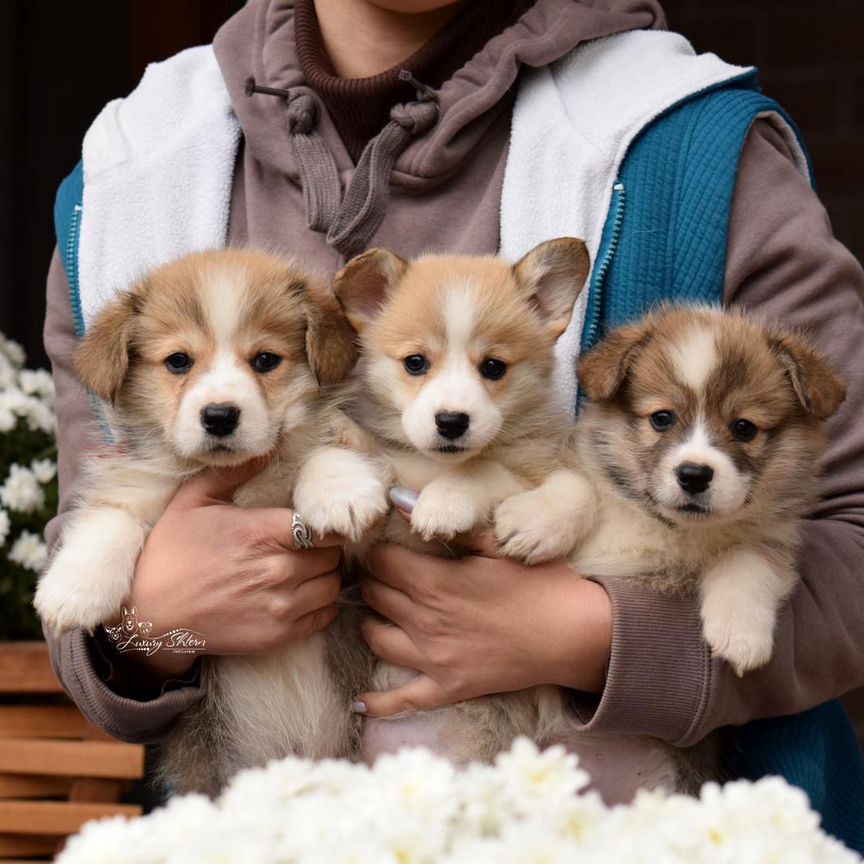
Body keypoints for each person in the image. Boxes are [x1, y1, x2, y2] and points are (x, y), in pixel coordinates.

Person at [44, 0, 864, 849]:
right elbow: (97, 625)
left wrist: (585, 638)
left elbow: (853, 542)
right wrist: (162, 626)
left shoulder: (691, 146)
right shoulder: (132, 169)